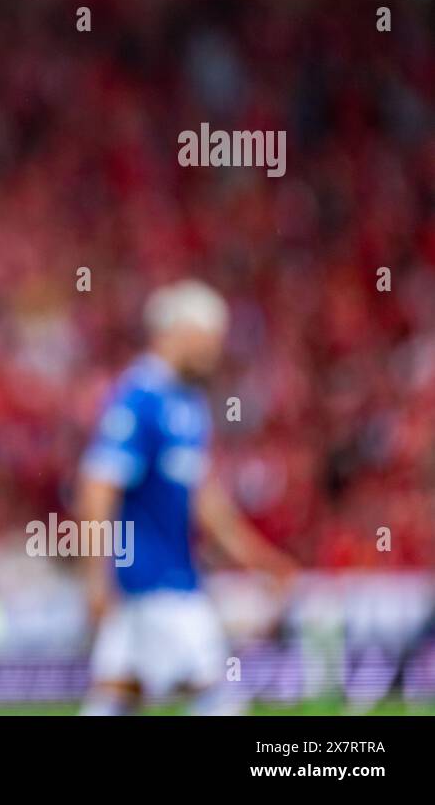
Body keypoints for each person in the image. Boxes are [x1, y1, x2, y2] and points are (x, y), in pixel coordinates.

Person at [78, 279, 297, 715]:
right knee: (218, 695)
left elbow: (202, 498)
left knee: (119, 695)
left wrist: (257, 557)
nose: (216, 351)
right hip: (149, 580)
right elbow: (97, 487)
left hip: (170, 576)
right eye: (210, 339)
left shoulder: (187, 403)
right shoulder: (139, 398)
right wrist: (96, 573)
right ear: (179, 333)